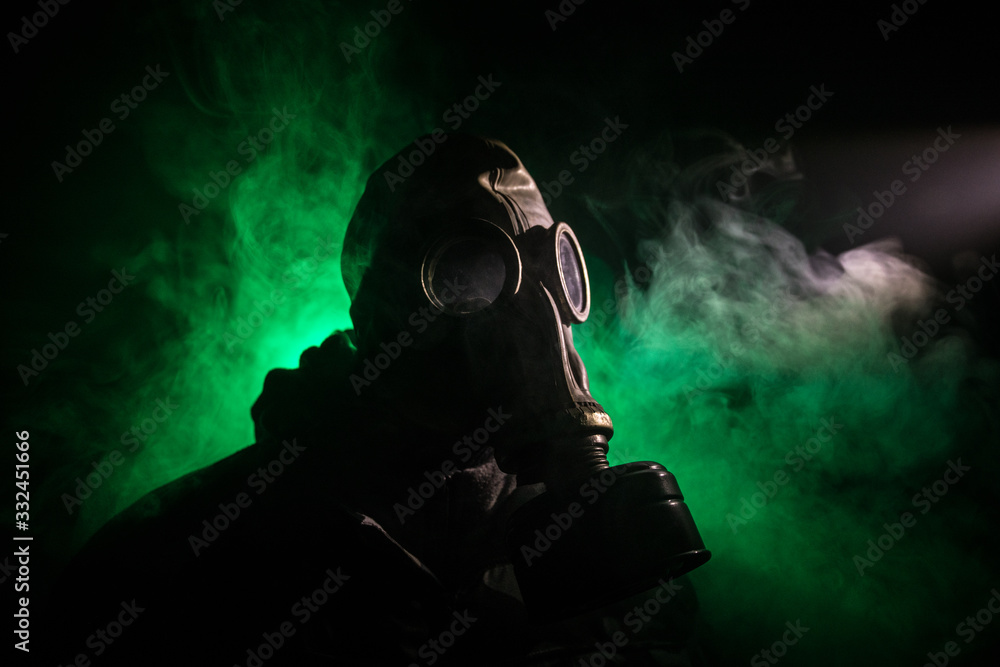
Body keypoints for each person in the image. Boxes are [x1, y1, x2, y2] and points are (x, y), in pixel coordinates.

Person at [41, 134, 713, 666]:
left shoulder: (584, 568)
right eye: (473, 273)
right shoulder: (181, 556)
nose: (538, 325)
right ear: (390, 306)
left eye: (550, 273)